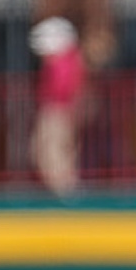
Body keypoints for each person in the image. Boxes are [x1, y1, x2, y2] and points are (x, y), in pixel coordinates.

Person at [28, 16, 86, 198]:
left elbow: (62, 87)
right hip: (58, 109)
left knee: (50, 150)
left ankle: (65, 189)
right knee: (49, 150)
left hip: (57, 109)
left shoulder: (64, 62)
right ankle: (63, 188)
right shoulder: (68, 60)